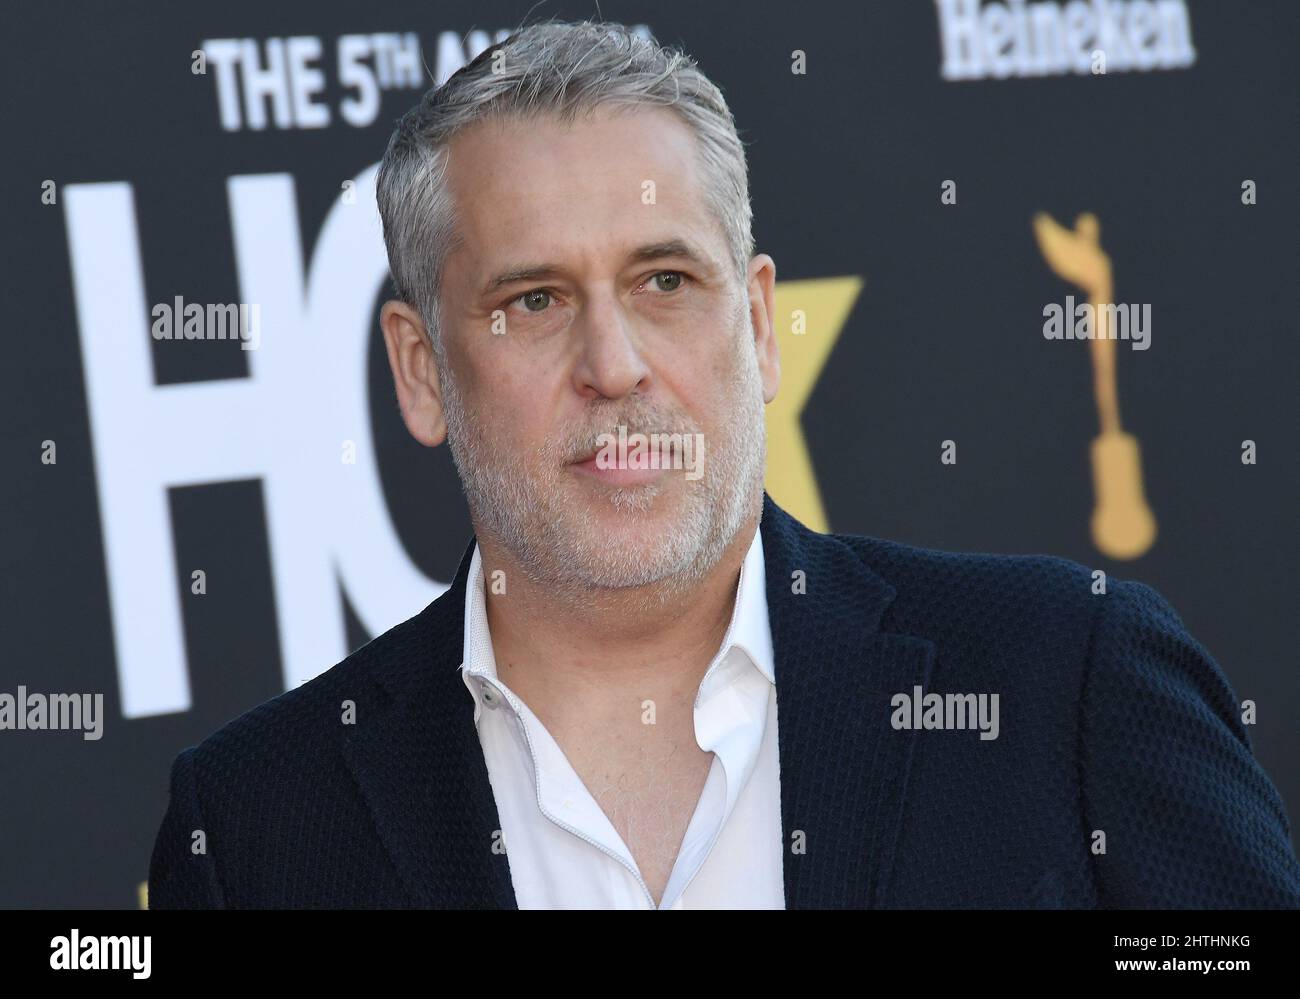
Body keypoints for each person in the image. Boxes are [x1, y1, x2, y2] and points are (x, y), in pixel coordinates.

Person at [148, 18, 1300, 909]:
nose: (615, 364)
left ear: (757, 326)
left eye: (665, 282)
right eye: (535, 300)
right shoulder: (256, 825)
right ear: (418, 369)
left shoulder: (1062, 680)